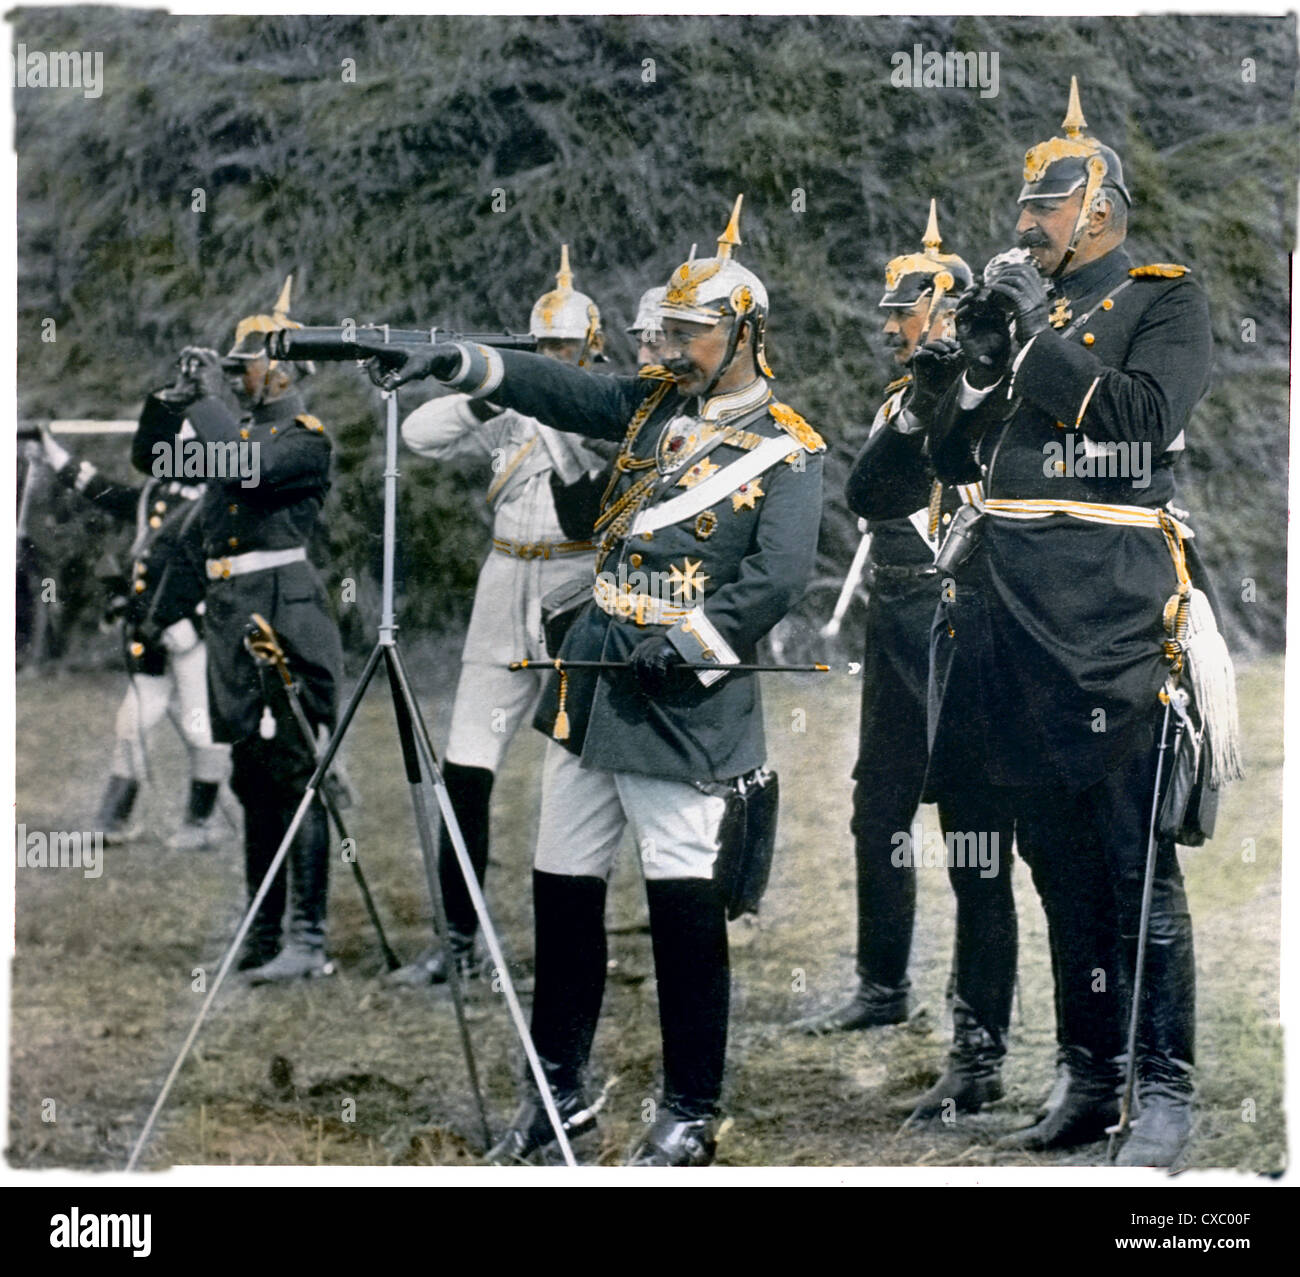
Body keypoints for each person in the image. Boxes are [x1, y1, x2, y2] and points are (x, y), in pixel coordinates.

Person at [375, 196, 824, 1166]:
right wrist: (464, 361)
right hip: (592, 684)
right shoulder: (649, 403)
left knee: (679, 902)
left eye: (693, 332)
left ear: (745, 332)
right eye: (669, 329)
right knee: (561, 886)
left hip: (679, 700)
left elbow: (776, 578)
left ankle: (692, 1109)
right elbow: (555, 391)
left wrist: (691, 645)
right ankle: (558, 1093)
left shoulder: (789, 446)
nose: (672, 345)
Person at [925, 79, 1229, 1165]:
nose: (1022, 226)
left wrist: (1027, 349)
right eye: (1021, 209)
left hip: (1106, 610)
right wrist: (960, 369)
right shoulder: (1016, 313)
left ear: (1097, 207)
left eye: (1043, 210)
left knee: (1133, 863)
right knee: (1052, 858)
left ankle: (1162, 1088)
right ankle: (1087, 1071)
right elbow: (950, 461)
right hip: (1007, 613)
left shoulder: (1164, 297)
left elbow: (1143, 422)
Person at [795, 202, 1019, 1124]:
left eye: (905, 311)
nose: (889, 327)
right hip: (897, 623)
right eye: (889, 313)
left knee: (977, 840)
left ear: (952, 308)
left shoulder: (1002, 393)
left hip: (967, 622)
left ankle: (981, 1049)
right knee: (877, 806)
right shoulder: (903, 397)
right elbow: (872, 494)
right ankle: (882, 983)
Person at [389, 246, 611, 985]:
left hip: (577, 584)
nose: (553, 356)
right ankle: (458, 941)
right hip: (503, 580)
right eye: (541, 345)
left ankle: (577, 945)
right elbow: (417, 437)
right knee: (465, 768)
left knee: (582, 768)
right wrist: (491, 395)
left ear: (591, 347)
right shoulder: (507, 406)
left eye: (565, 346)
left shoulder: (604, 405)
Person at [132, 277, 345, 982]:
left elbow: (244, 469)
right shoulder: (238, 434)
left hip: (284, 618)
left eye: (240, 365)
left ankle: (307, 939)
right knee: (254, 779)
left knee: (298, 772)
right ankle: (261, 933)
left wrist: (204, 402)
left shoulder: (302, 440)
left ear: (281, 368)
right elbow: (156, 462)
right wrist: (169, 404)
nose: (231, 375)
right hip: (233, 620)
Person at [37, 426, 228, 849]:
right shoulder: (151, 495)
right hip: (151, 633)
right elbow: (99, 489)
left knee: (201, 726)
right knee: (133, 723)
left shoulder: (220, 501)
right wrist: (52, 450)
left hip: (197, 638)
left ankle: (200, 824)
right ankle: (114, 820)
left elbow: (228, 577)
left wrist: (195, 624)